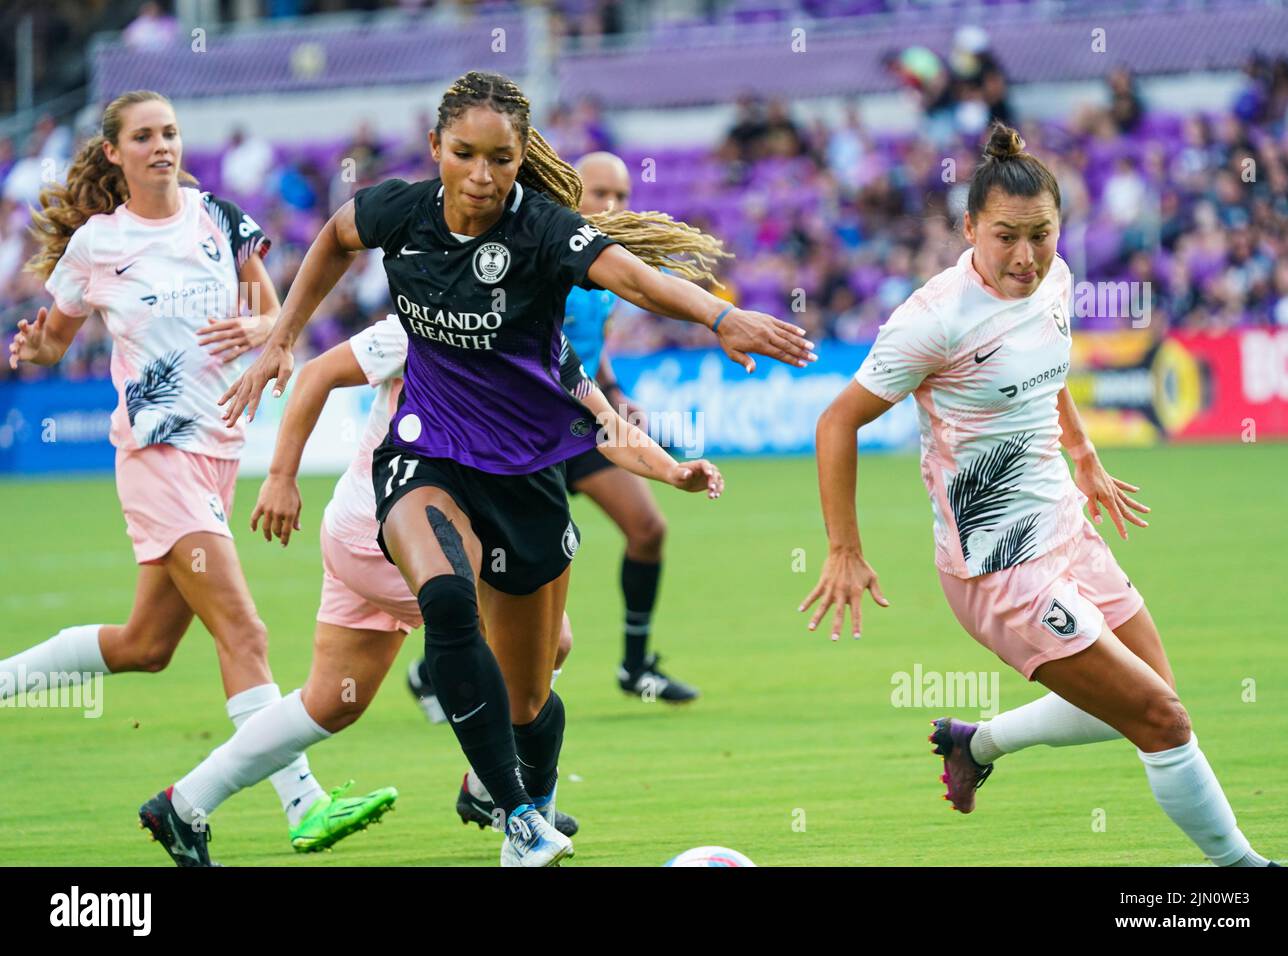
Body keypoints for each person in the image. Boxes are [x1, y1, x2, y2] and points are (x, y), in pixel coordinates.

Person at [219, 70, 813, 867]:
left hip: (527, 474)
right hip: (426, 456)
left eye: (500, 158)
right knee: (445, 597)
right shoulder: (400, 211)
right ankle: (520, 820)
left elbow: (632, 277)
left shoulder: (543, 230)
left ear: (521, 156)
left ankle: (525, 801)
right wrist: (283, 336)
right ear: (436, 148)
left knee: (531, 697)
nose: (481, 175)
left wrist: (720, 315)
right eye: (462, 153)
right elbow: (333, 237)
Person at [800, 122, 1279, 867]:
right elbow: (837, 422)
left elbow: (1045, 375)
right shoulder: (932, 319)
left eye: (1041, 234)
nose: (1025, 256)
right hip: (999, 569)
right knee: (1160, 717)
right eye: (1005, 237)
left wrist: (1084, 455)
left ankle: (976, 744)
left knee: (1150, 696)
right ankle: (1246, 871)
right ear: (969, 230)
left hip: (1065, 527)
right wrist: (842, 549)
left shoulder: (1057, 278)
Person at [153, 313, 716, 864]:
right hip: (385, 534)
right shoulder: (423, 324)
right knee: (547, 639)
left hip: (369, 527)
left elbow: (602, 424)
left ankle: (183, 805)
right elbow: (318, 373)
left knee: (331, 701)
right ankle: (499, 794)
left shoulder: (536, 340)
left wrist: (670, 469)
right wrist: (279, 477)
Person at [2, 90, 389, 859]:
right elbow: (55, 339)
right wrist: (35, 349)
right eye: (144, 136)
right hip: (156, 459)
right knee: (243, 628)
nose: (162, 146)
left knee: (147, 644)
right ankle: (302, 803)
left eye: (171, 133)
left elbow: (278, 320)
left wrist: (262, 333)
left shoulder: (219, 219)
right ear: (113, 151)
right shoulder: (96, 246)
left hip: (218, 456)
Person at [407, 149, 697, 706]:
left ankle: (635, 669)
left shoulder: (610, 270)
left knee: (648, 529)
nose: (611, 205)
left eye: (622, 196)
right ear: (569, 192)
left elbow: (589, 351)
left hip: (580, 423)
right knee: (497, 569)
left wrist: (615, 395)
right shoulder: (543, 253)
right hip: (521, 432)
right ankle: (436, 668)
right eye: (599, 193)